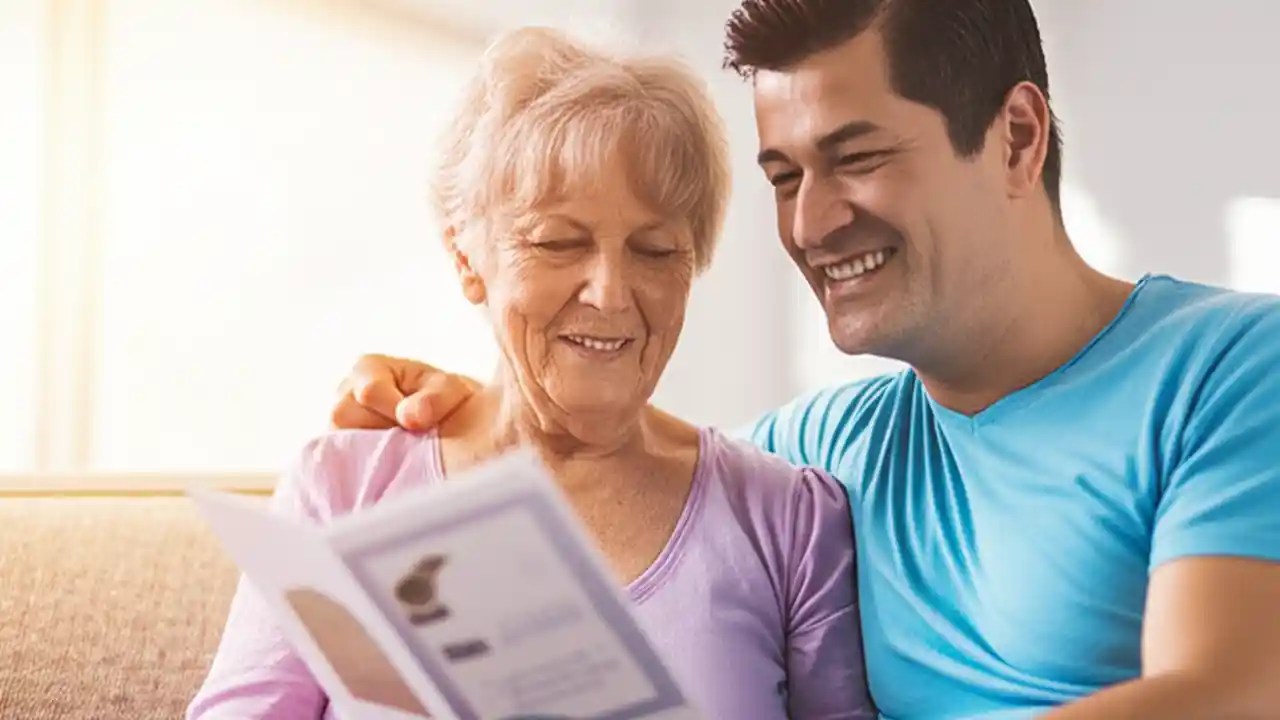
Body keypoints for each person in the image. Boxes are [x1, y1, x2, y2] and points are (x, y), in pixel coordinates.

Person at [331, 1, 1280, 718]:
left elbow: (1225, 693)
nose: (812, 224)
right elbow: (623, 473)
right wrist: (473, 414)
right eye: (785, 177)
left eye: (857, 158)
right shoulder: (823, 455)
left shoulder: (1232, 369)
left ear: (1016, 139)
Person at [189, 27, 874, 720]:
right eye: (557, 242)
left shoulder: (789, 521)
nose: (610, 292)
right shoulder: (344, 489)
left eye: (655, 249)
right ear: (466, 257)